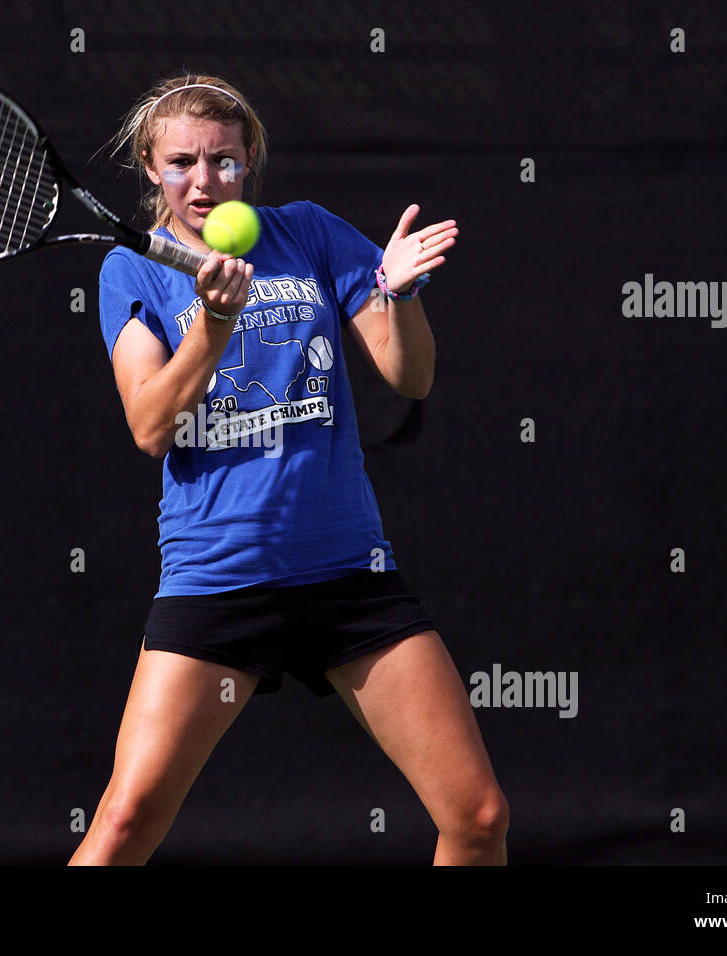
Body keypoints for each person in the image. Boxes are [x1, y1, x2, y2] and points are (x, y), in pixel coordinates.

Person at [71, 73, 508, 865]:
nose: (204, 182)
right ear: (148, 165)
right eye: (182, 163)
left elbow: (409, 377)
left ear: (249, 162)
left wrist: (399, 295)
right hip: (217, 578)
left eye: (224, 161)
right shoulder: (127, 272)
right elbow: (148, 426)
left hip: (346, 573)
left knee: (477, 817)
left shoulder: (308, 233)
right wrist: (214, 322)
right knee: (125, 824)